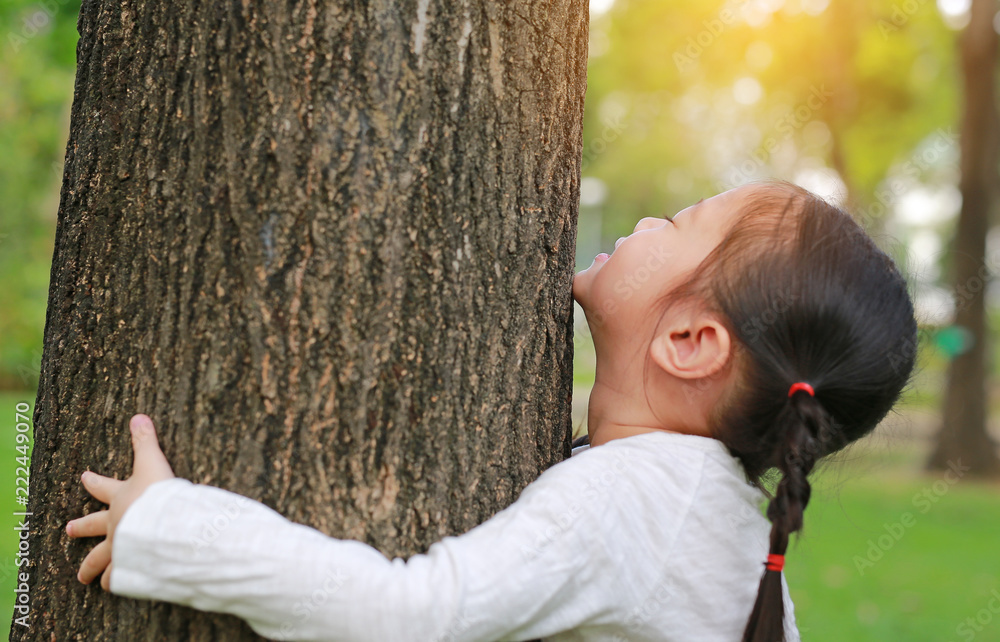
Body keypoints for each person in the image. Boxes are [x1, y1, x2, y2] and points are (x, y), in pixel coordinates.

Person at [66, 181, 918, 641]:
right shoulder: (701, 516)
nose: (652, 217)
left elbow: (405, 617)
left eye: (682, 221)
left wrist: (173, 531)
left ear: (691, 342)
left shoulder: (634, 502)